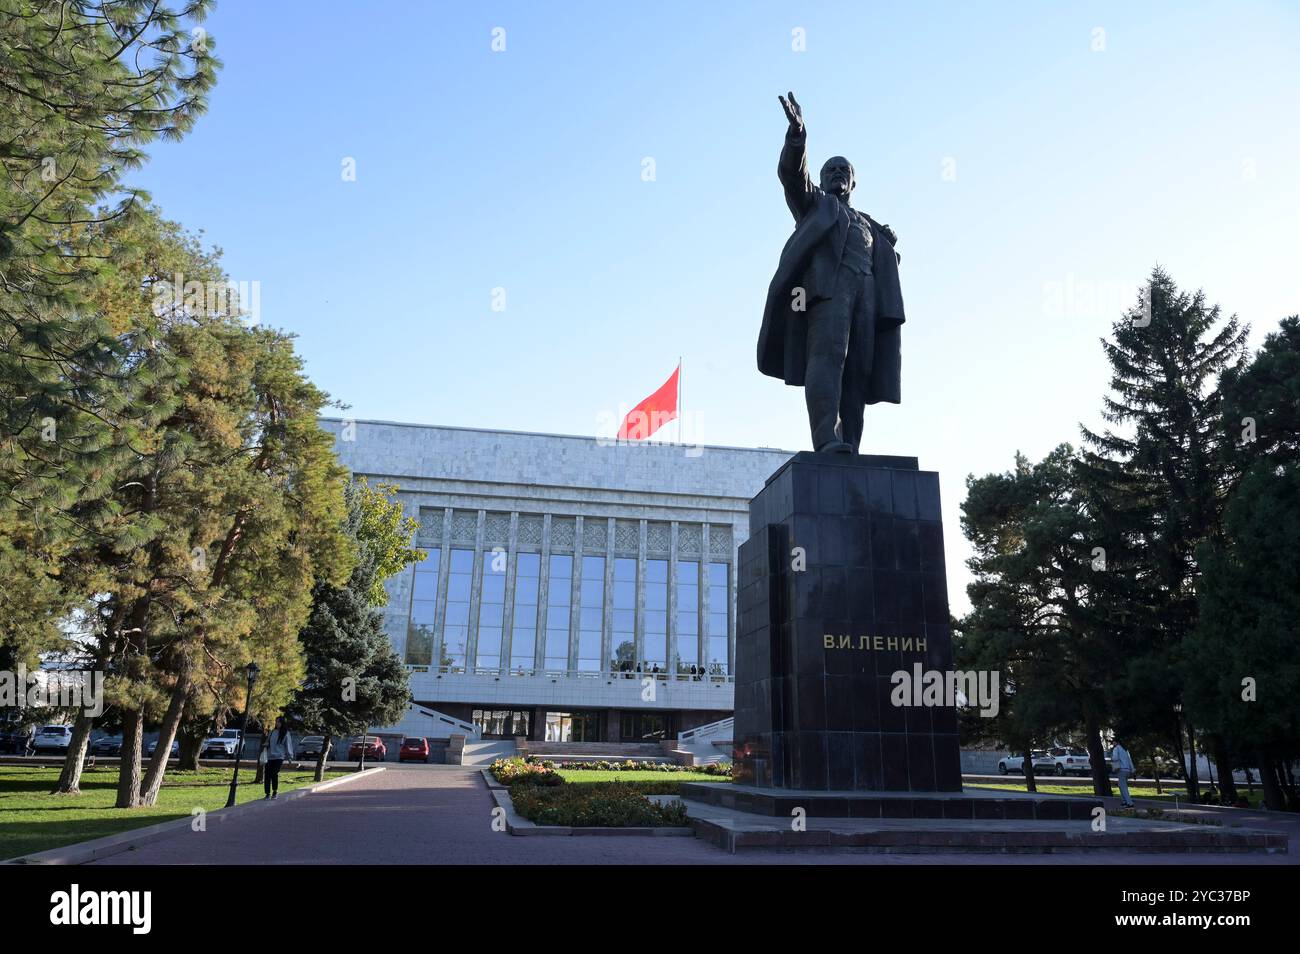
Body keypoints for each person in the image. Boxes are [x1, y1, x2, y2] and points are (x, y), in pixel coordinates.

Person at [758, 91, 906, 454]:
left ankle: (850, 445)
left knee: (858, 370)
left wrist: (888, 247)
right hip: (825, 293)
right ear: (822, 180)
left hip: (867, 296)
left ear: (854, 182)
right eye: (831, 170)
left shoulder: (870, 224)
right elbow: (793, 176)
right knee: (827, 360)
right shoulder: (815, 206)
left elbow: (887, 263)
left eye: (845, 170)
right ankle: (826, 438)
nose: (838, 173)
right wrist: (797, 135)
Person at [264, 716, 295, 800]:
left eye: (278, 722)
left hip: (279, 757)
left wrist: (289, 757)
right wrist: (266, 744)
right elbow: (267, 742)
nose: (277, 723)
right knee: (267, 775)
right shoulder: (272, 732)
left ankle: (275, 791)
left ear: (282, 723)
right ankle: (267, 793)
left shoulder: (285, 733)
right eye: (276, 721)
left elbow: (288, 745)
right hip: (269, 757)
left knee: (274, 773)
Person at [1112, 738, 1135, 808]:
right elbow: (1130, 760)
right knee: (1120, 785)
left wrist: (1112, 758)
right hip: (1128, 770)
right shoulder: (1125, 750)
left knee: (1123, 787)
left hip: (1121, 770)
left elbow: (1115, 758)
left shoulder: (1116, 749)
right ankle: (1124, 801)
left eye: (1113, 742)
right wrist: (1133, 769)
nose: (1113, 744)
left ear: (1116, 742)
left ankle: (1129, 803)